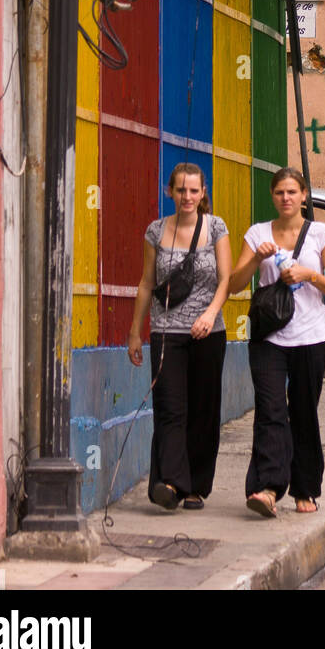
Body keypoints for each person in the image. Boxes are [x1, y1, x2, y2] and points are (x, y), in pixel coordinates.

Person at [228, 167, 325, 518]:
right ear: (273, 196)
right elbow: (234, 283)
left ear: (304, 195)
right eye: (279, 192)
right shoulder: (257, 233)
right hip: (269, 336)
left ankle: (305, 488)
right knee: (270, 409)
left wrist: (308, 274)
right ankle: (266, 488)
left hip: (311, 335)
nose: (286, 198)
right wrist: (257, 258)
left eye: (292, 192)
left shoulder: (322, 234)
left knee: (304, 412)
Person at [128, 163, 231, 511]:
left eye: (193, 190)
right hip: (165, 333)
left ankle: (195, 487)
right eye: (180, 190)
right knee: (170, 408)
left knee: (203, 410)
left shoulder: (216, 228)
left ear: (203, 193)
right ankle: (170, 482)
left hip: (208, 333)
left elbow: (225, 281)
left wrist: (209, 314)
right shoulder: (155, 231)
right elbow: (146, 283)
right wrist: (134, 333)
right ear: (169, 192)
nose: (187, 196)